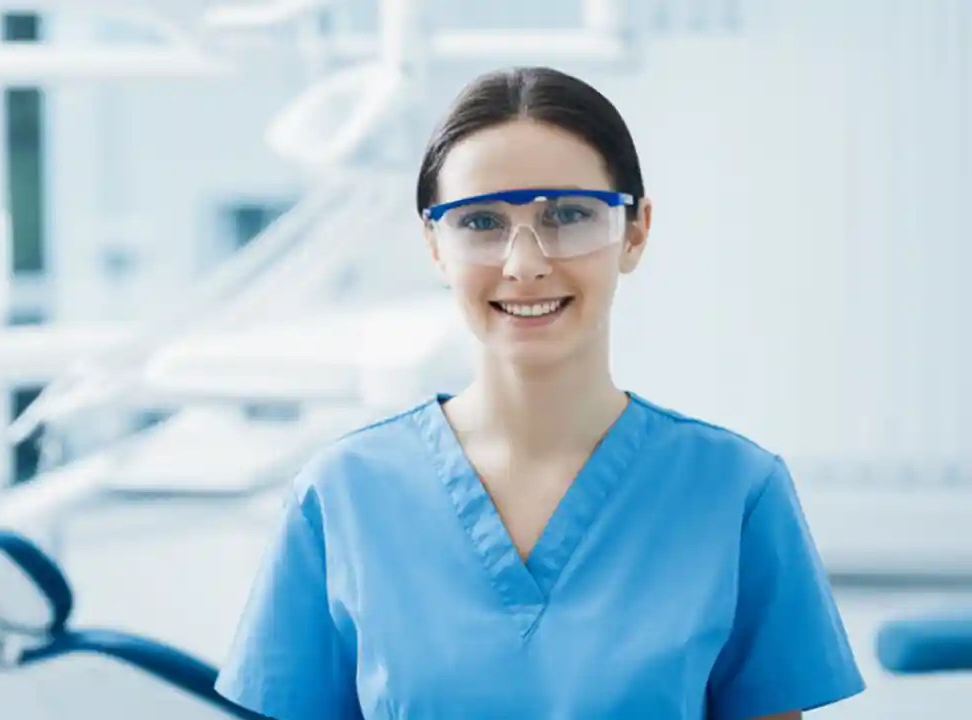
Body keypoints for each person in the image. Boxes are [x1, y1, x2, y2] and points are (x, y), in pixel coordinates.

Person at [212, 67, 865, 719]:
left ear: (635, 231)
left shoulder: (734, 493)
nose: (524, 264)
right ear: (434, 245)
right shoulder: (342, 495)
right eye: (481, 223)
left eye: (569, 216)